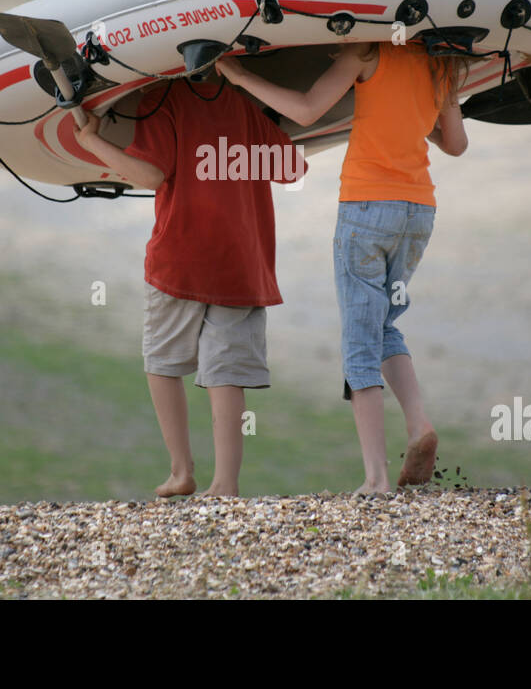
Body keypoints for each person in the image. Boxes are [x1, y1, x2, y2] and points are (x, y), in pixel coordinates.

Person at [216, 41, 468, 494]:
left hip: (367, 206)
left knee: (358, 341)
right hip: (418, 211)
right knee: (384, 324)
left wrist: (240, 77)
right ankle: (419, 425)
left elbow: (308, 109)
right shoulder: (440, 64)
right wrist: (413, 115)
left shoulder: (367, 54)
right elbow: (456, 143)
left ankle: (376, 477)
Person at [75, 77, 306, 498]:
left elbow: (150, 174)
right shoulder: (242, 105)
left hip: (180, 261)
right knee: (226, 373)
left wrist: (92, 141)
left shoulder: (163, 98)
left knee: (162, 361)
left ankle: (182, 471)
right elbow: (293, 167)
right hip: (241, 264)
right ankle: (226, 484)